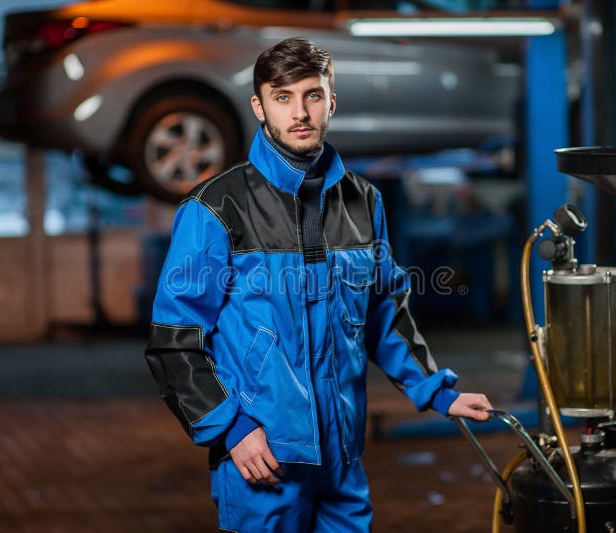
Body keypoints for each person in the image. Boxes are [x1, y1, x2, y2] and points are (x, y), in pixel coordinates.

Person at [144, 37, 493, 532]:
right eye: (282, 97)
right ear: (259, 107)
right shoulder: (216, 209)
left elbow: (383, 313)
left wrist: (438, 392)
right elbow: (174, 342)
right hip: (263, 458)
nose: (299, 112)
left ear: (332, 101)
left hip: (342, 458)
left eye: (312, 94)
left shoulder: (363, 202)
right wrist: (232, 430)